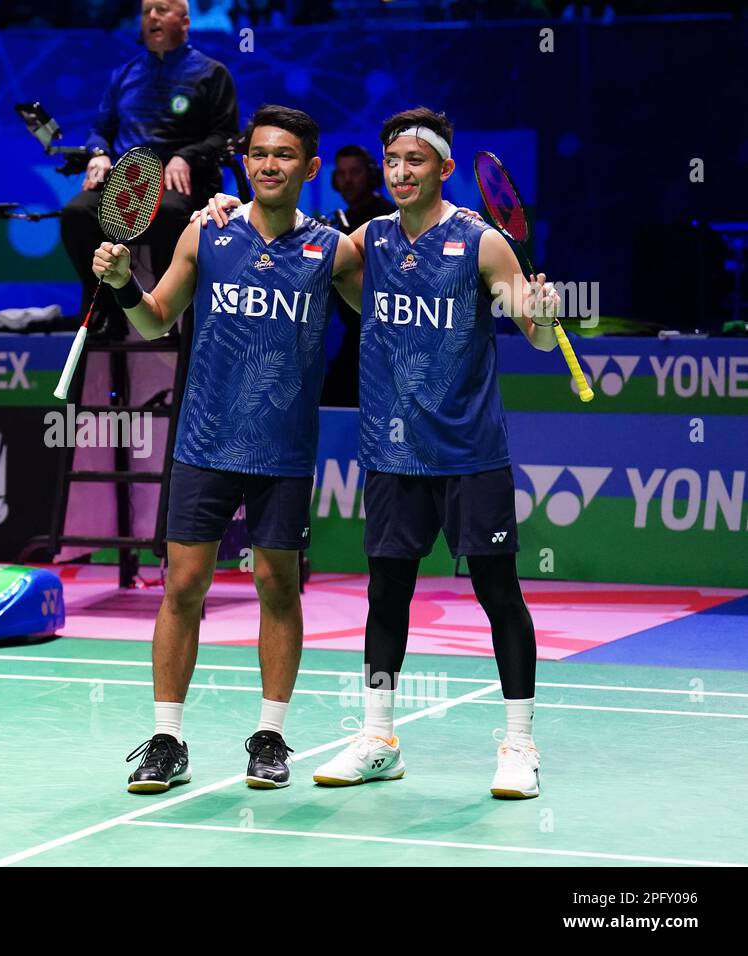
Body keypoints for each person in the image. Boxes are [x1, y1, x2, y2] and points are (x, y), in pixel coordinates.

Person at [198, 106, 561, 799]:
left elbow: (538, 336)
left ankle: (519, 744)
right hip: (393, 454)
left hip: (469, 451)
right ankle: (379, 737)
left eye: (414, 162)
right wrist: (227, 206)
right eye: (391, 161)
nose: (399, 172)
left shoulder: (483, 244)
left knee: (498, 593)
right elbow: (281, 240)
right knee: (387, 596)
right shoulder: (368, 242)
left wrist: (542, 318)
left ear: (444, 169)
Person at [96, 105, 362, 794]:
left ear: (310, 167)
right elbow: (156, 319)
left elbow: (387, 313)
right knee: (183, 587)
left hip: (282, 449)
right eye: (260, 153)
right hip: (205, 440)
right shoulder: (208, 232)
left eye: (285, 155)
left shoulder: (331, 249)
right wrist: (124, 282)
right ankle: (167, 738)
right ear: (246, 161)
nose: (270, 164)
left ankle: (270, 735)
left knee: (279, 586)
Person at [61, 0, 239, 330]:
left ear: (185, 22)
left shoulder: (212, 73)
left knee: (170, 213)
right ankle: (100, 302)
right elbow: (100, 129)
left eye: (161, 9)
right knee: (76, 213)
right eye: (146, 11)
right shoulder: (124, 74)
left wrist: (186, 156)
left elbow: (226, 136)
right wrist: (99, 152)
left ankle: (164, 304)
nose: (151, 17)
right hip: (128, 187)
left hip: (184, 187)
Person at [322, 144, 397, 406]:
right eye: (341, 173)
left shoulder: (391, 220)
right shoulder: (334, 223)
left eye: (355, 172)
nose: (348, 180)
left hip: (390, 337)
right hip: (353, 337)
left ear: (372, 175)